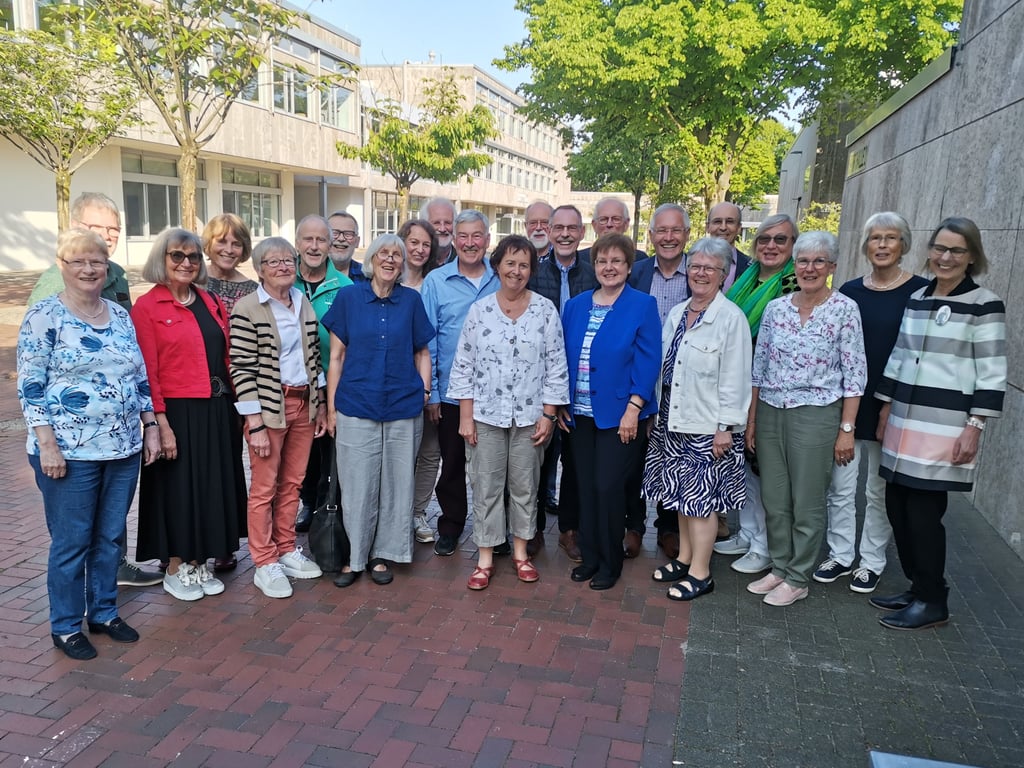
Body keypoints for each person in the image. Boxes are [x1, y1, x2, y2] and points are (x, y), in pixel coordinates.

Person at [18, 229, 160, 660]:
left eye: (96, 261)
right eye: (78, 261)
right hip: (68, 452)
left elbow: (137, 375)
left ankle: (103, 612)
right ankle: (64, 625)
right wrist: (47, 444)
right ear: (61, 266)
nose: (88, 269)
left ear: (107, 267)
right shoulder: (45, 316)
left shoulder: (118, 314)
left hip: (121, 447)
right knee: (71, 541)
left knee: (110, 538)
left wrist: (150, 423)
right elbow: (31, 385)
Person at [872, 217, 1006, 630]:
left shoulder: (985, 304)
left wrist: (975, 427)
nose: (946, 258)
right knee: (896, 505)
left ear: (972, 257)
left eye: (957, 251)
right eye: (941, 249)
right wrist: (883, 407)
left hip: (945, 427)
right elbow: (899, 353)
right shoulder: (919, 296)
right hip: (903, 421)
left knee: (924, 514)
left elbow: (992, 371)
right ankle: (918, 586)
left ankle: (933, 601)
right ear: (929, 251)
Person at [746, 231, 867, 607]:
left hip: (817, 416)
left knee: (808, 500)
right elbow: (758, 369)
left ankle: (799, 577)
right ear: (793, 265)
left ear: (831, 267)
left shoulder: (844, 309)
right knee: (775, 497)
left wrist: (846, 430)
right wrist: (752, 422)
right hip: (770, 411)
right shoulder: (776, 309)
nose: (809, 268)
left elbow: (855, 375)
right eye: (802, 261)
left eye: (818, 261)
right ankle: (780, 567)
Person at [131, 228, 247, 601]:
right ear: (161, 259)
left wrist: (240, 407)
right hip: (177, 411)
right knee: (179, 490)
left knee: (211, 487)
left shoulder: (209, 299)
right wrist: (159, 423)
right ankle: (177, 566)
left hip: (217, 407)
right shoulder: (148, 307)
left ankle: (200, 561)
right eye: (177, 256)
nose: (186, 263)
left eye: (193, 257)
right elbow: (147, 371)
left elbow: (225, 357)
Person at [815, 213, 928, 594]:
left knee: (878, 490)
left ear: (903, 244)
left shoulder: (920, 292)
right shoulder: (848, 291)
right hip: (848, 401)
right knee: (840, 485)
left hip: (893, 405)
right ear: (865, 245)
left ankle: (872, 561)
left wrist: (893, 402)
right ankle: (840, 554)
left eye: (890, 238)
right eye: (875, 238)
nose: (881, 245)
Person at [449, 235, 569, 590]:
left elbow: (556, 366)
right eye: (510, 263)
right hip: (485, 416)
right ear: (497, 265)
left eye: (524, 265)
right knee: (485, 486)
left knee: (525, 487)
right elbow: (464, 364)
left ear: (531, 271)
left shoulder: (545, 309)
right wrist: (466, 417)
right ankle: (485, 557)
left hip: (530, 418)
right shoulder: (480, 310)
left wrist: (549, 415)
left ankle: (520, 553)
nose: (516, 271)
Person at [644, 237, 751, 601]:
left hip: (708, 427)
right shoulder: (678, 312)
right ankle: (686, 558)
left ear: (723, 275)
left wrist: (727, 428)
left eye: (710, 268)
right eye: (696, 266)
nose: (701, 274)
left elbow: (737, 377)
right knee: (680, 498)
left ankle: (702, 573)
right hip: (672, 419)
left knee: (701, 502)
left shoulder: (730, 318)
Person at [324, 235, 435, 587]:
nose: (390, 259)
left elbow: (423, 353)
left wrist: (425, 392)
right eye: (383, 253)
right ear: (371, 259)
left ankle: (382, 555)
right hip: (356, 405)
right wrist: (330, 410)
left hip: (403, 406)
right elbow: (337, 357)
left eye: (397, 255)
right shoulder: (349, 297)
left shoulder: (411, 301)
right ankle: (354, 557)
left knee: (397, 484)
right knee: (357, 484)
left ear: (403, 265)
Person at [560, 233, 661, 590]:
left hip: (620, 416)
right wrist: (560, 403)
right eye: (602, 261)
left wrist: (634, 408)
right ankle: (590, 557)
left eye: (617, 261)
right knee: (585, 486)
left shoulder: (641, 305)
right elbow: (562, 360)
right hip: (579, 414)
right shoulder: (576, 305)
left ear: (629, 266)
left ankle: (610, 561)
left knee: (608, 487)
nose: (609, 267)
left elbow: (649, 363)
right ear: (594, 265)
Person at [229, 237, 327, 599]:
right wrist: (253, 423)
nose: (284, 266)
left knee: (293, 483)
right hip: (271, 408)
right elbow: (240, 368)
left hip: (304, 405)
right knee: (264, 488)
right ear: (259, 270)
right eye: (273, 262)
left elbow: (312, 359)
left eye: (288, 260)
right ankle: (264, 560)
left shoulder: (302, 302)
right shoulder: (248, 308)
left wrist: (319, 405)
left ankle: (285, 548)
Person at [716, 213, 801, 575]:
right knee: (747, 462)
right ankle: (748, 533)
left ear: (792, 246)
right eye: (764, 239)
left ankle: (766, 545)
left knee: (767, 467)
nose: (771, 246)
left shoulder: (793, 283)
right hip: (741, 380)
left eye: (780, 240)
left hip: (772, 387)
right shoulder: (747, 277)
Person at [421, 210, 501, 557]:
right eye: (463, 236)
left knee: (493, 468)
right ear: (453, 239)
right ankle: (451, 526)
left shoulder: (503, 278)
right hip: (453, 393)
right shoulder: (436, 282)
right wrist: (433, 394)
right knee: (452, 465)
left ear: (487, 239)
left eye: (477, 236)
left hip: (497, 394)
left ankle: (494, 531)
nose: (470, 243)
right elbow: (428, 341)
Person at [526, 204, 597, 561]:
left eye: (573, 228)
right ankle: (533, 529)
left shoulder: (594, 272)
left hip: (583, 385)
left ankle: (570, 530)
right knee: (538, 460)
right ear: (550, 233)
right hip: (539, 385)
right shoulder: (533, 272)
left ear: (583, 232)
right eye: (559, 228)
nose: (565, 234)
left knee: (575, 463)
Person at [628, 203, 693, 558]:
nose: (668, 237)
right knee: (635, 453)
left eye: (675, 230)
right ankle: (633, 525)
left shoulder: (697, 272)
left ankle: (669, 527)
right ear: (651, 236)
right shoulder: (635, 272)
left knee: (675, 454)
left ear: (686, 234)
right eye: (661, 231)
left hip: (682, 382)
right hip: (639, 378)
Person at [294, 216, 354, 531]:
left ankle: (324, 507)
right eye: (308, 239)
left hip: (332, 386)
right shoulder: (282, 280)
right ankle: (306, 503)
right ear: (297, 243)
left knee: (327, 452)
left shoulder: (345, 288)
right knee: (302, 456)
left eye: (321, 240)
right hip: (292, 388)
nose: (314, 246)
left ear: (330, 245)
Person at [398, 218, 442, 544]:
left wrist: (432, 387)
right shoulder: (383, 278)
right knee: (400, 454)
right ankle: (396, 514)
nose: (419, 249)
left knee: (429, 452)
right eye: (413, 242)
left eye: (425, 244)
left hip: (428, 384)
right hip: (394, 386)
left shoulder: (436, 282)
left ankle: (417, 512)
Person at [202, 213, 258, 314]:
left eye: (236, 244)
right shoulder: (192, 281)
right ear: (208, 243)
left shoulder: (253, 291)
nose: (229, 250)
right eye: (221, 242)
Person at [578, 197, 649, 262]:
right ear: (594, 225)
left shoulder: (641, 260)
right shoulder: (579, 260)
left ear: (626, 224)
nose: (609, 224)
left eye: (616, 219)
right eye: (603, 219)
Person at [705, 201, 751, 291]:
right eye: (717, 221)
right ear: (707, 227)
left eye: (729, 222)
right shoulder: (690, 264)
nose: (723, 227)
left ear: (739, 228)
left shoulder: (751, 267)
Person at [328, 210, 364, 281]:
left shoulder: (367, 276)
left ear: (357, 241)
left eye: (348, 234)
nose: (341, 239)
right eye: (334, 233)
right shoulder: (310, 275)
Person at [422, 197, 457, 267]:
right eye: (436, 223)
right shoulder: (416, 262)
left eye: (447, 223)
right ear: (424, 226)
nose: (442, 229)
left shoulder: (463, 263)